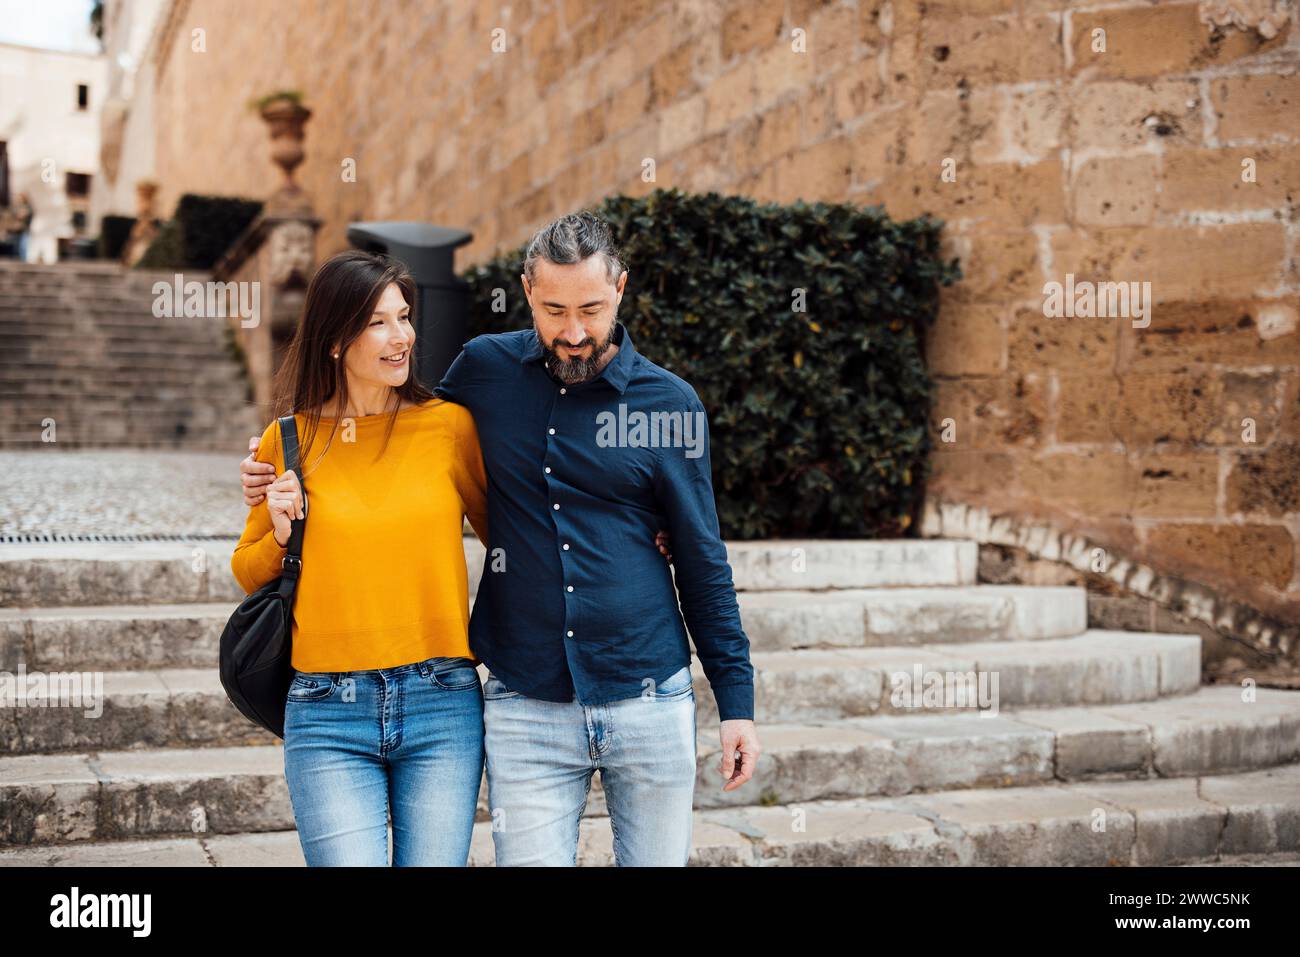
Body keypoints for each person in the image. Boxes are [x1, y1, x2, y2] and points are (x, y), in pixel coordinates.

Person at [244, 211, 762, 866]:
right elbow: (397, 434)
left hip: (649, 694)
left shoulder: (670, 404)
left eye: (591, 309)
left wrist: (736, 701)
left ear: (622, 290)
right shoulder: (483, 373)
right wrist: (271, 478)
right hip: (525, 703)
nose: (573, 333)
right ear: (526, 293)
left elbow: (704, 560)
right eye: (553, 310)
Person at [231, 250, 490, 866]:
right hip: (325, 710)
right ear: (333, 340)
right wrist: (279, 528)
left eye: (404, 317)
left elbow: (515, 534)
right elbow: (248, 570)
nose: (401, 337)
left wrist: (639, 528)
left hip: (442, 700)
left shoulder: (449, 428)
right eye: (378, 322)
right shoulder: (287, 439)